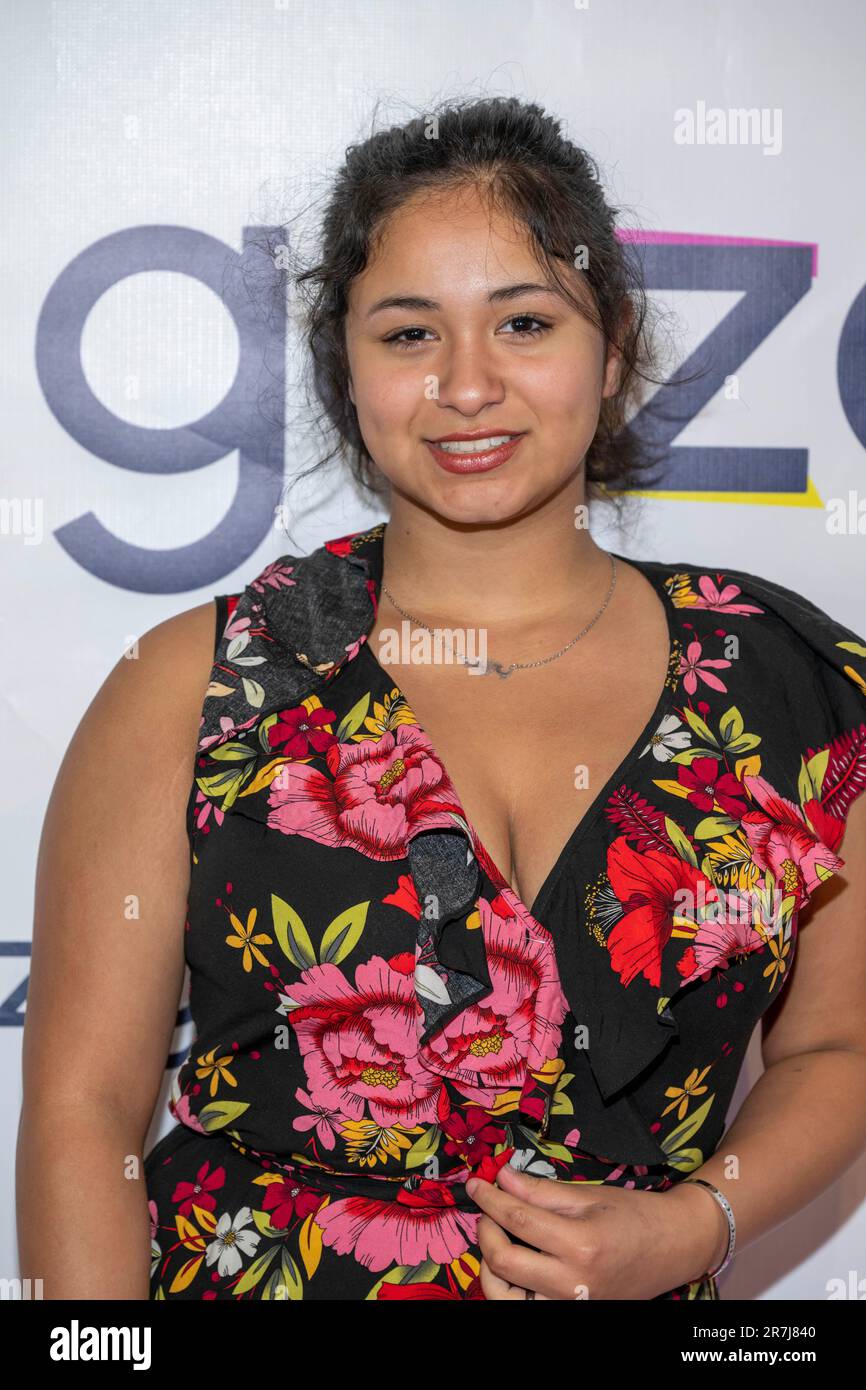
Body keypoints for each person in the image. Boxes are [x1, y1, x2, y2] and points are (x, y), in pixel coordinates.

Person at [17, 96, 866, 1302]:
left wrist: (692, 1228)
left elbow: (838, 1044)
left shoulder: (784, 682)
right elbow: (79, 1112)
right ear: (344, 367)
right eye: (408, 335)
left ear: (610, 346)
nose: (468, 386)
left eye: (523, 321)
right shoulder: (200, 685)